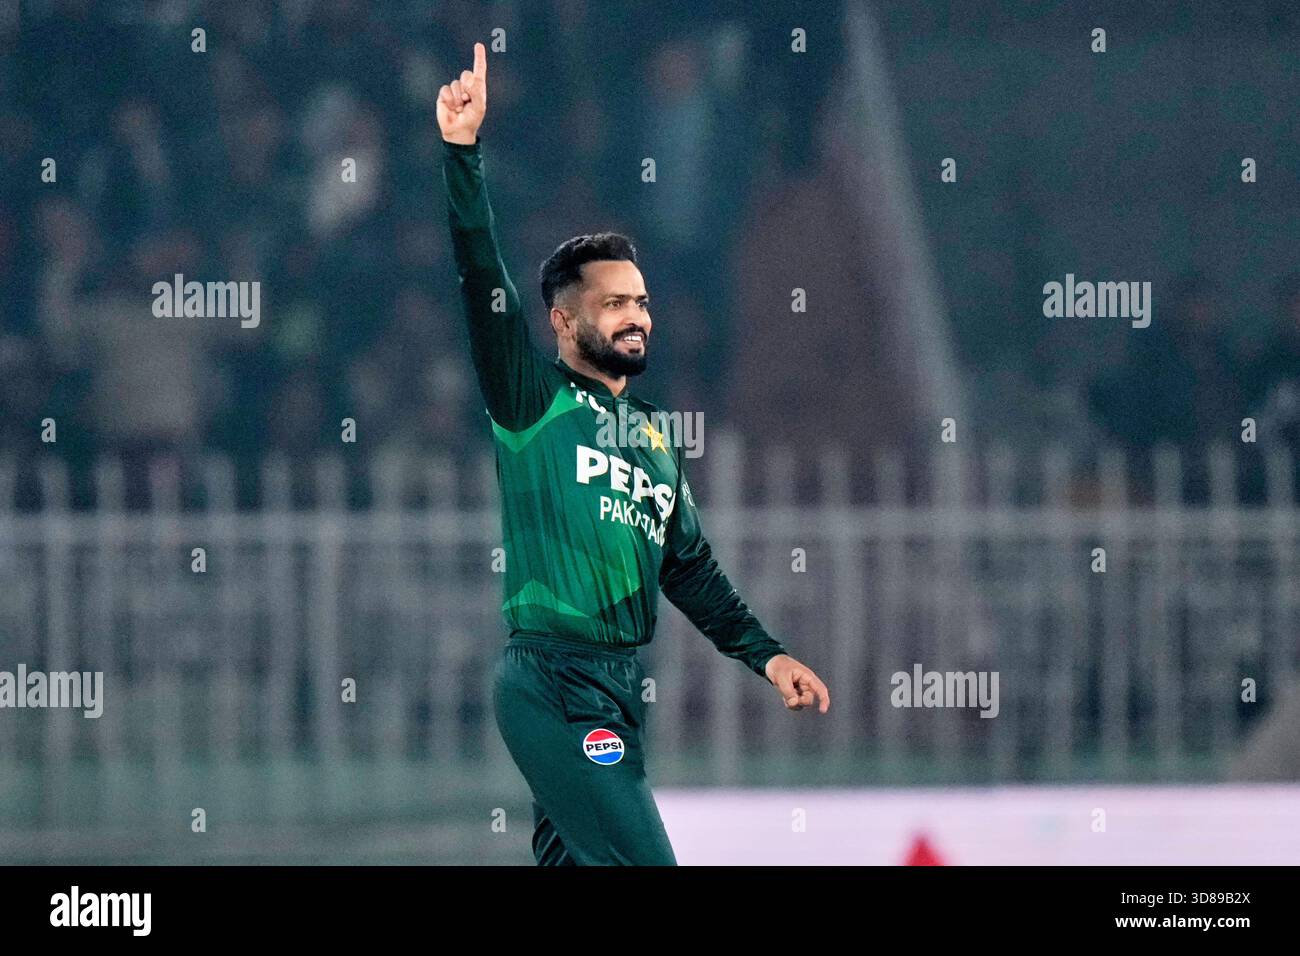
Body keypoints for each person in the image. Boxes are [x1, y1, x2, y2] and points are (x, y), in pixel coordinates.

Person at [438, 42, 830, 865]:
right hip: (553, 679)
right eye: (614, 303)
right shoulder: (532, 401)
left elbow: (691, 570)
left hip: (617, 688)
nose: (638, 317)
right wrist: (463, 155)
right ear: (562, 320)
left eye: (642, 302)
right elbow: (483, 281)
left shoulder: (653, 435)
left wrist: (768, 657)